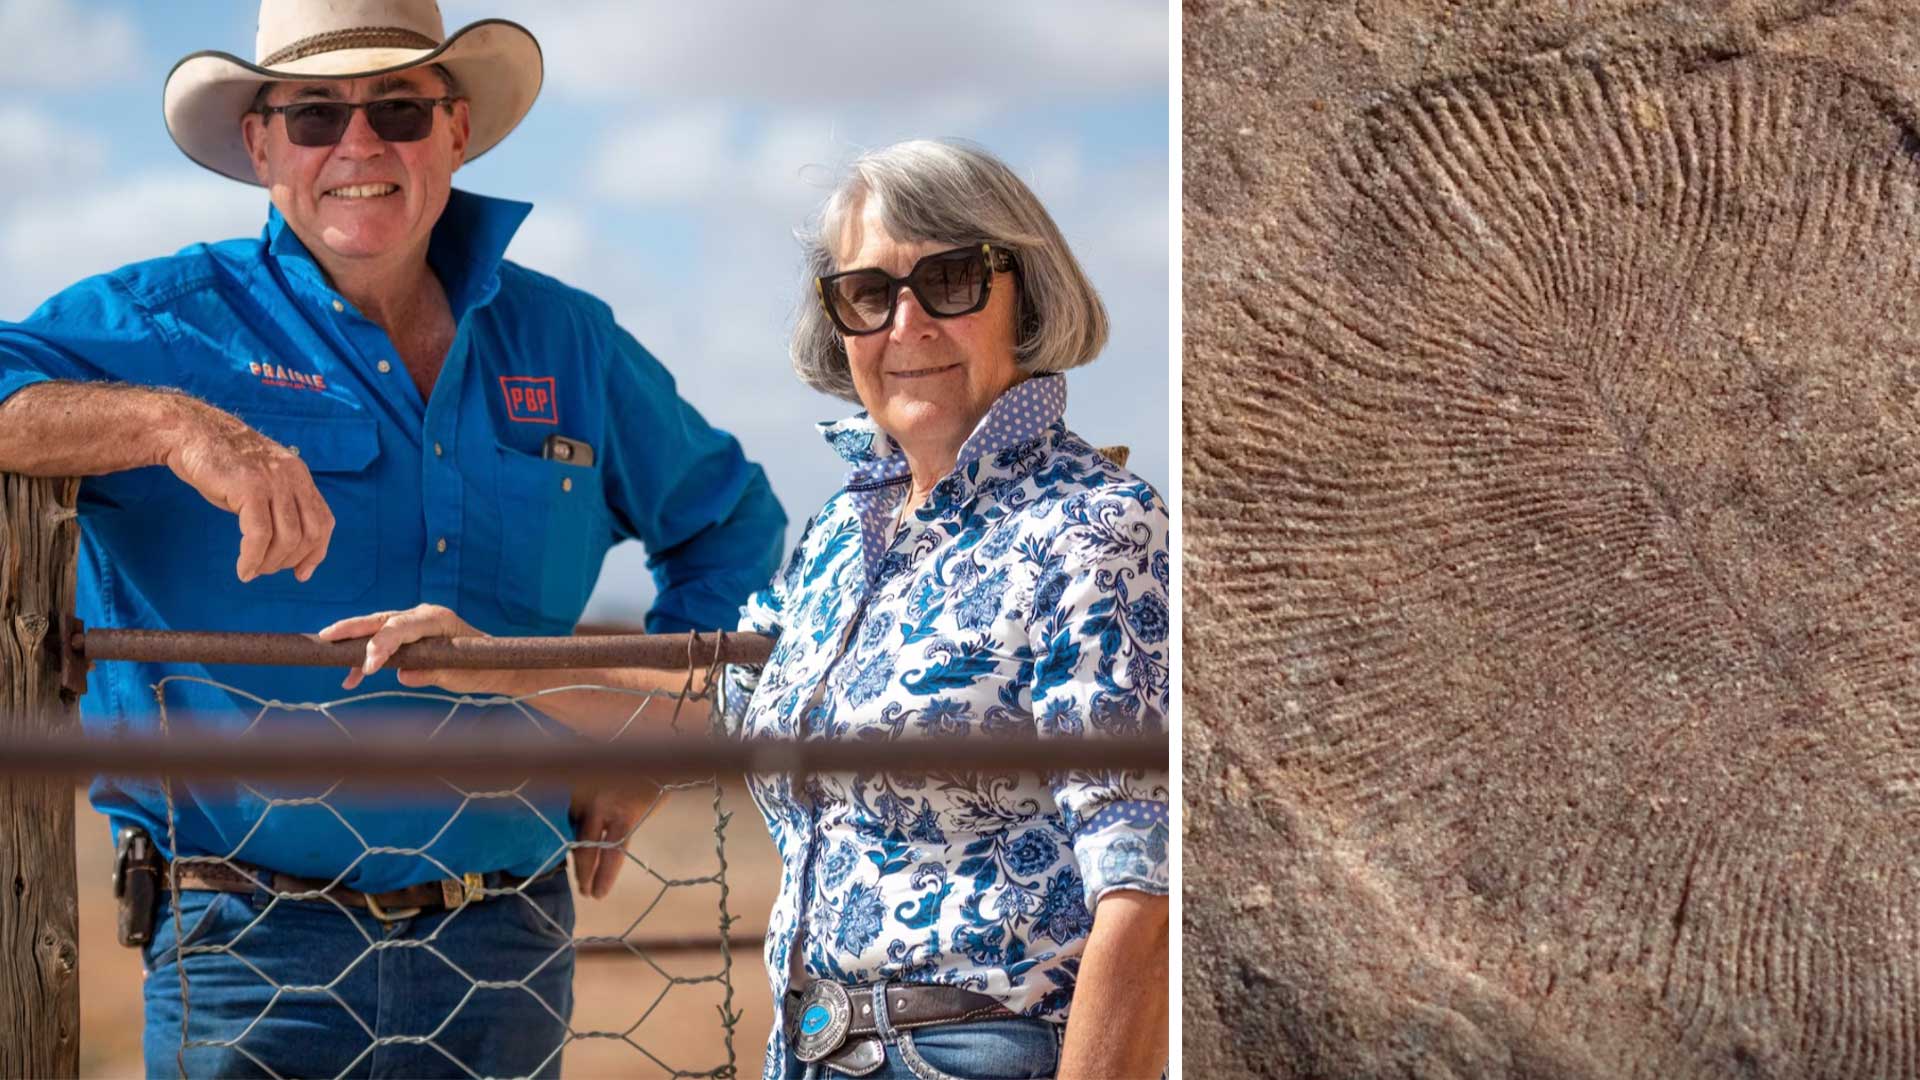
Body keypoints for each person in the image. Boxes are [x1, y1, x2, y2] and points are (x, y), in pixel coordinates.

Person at [0, 2, 783, 1076]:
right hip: (247, 950)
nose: (357, 145)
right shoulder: (164, 324)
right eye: (316, 114)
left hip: (509, 940)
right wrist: (176, 426)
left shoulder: (569, 342)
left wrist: (647, 735)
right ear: (261, 143)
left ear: (455, 129)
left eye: (399, 109)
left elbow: (730, 523)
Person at [332, 139, 1171, 1079]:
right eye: (867, 293)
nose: (908, 323)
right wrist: (484, 658)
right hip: (811, 1050)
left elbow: (1144, 893)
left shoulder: (1096, 527)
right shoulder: (849, 531)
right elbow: (719, 704)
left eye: (952, 280)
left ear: (1028, 296)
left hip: (979, 1047)